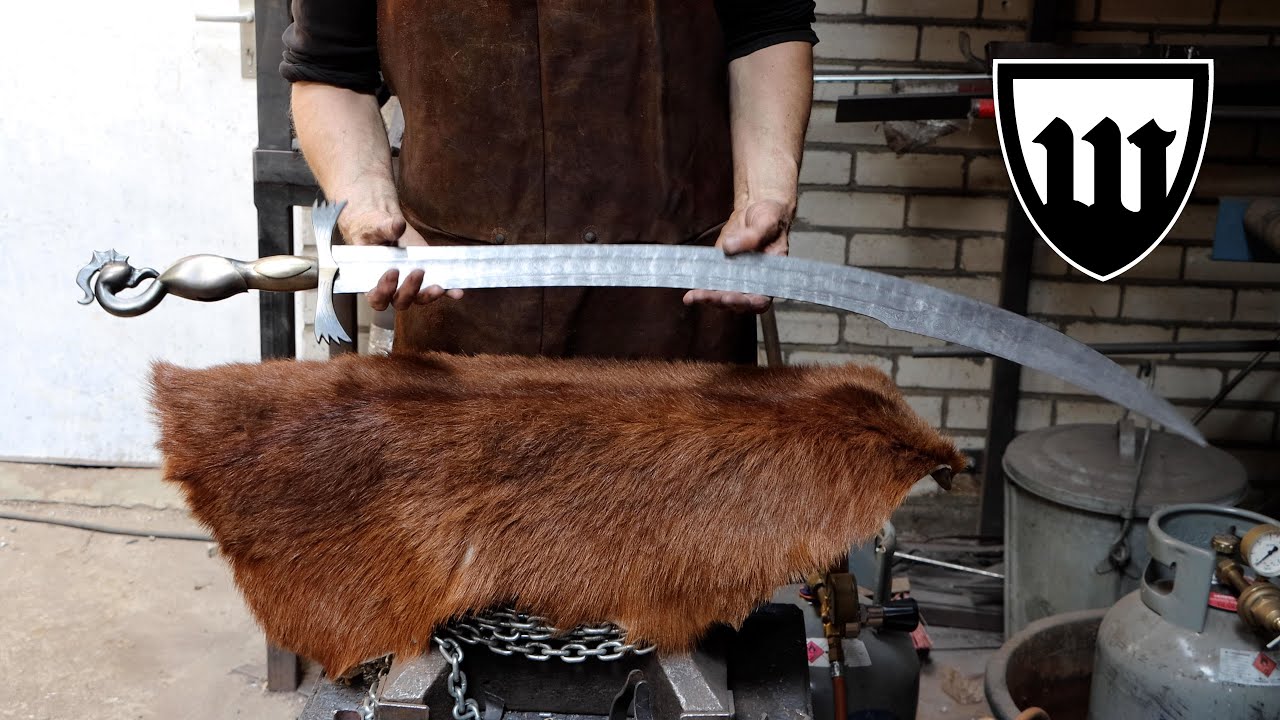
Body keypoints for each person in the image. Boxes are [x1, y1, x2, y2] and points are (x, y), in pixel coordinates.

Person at [281, 1, 817, 363]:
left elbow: (766, 25)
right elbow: (330, 69)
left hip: (682, 310)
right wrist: (368, 201)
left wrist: (763, 194)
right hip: (460, 315)